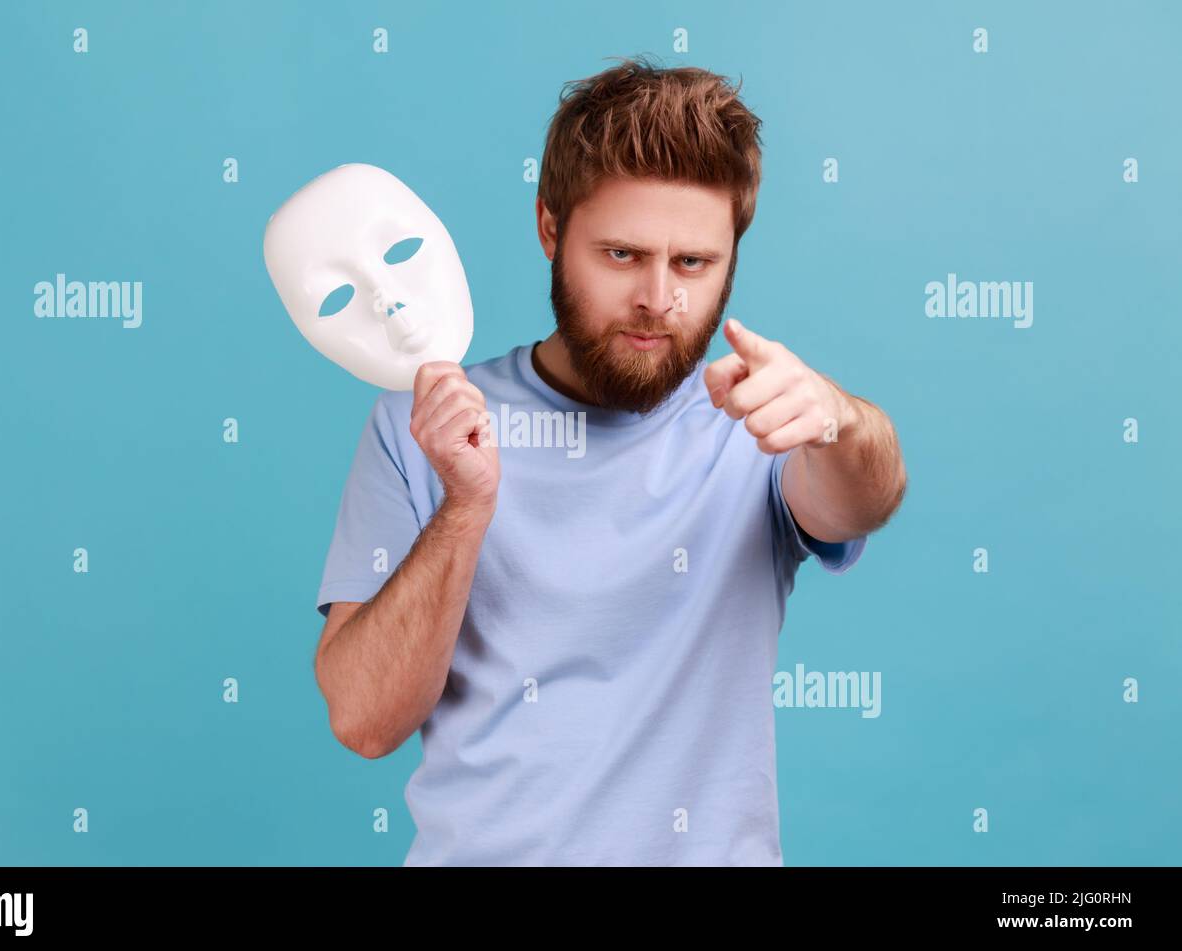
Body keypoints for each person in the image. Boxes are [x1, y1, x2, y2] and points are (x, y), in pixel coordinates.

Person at [313, 55, 907, 866]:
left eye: (693, 264)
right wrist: (465, 506)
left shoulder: (758, 422)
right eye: (623, 255)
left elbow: (865, 499)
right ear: (551, 228)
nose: (659, 300)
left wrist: (841, 423)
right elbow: (364, 719)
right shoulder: (420, 431)